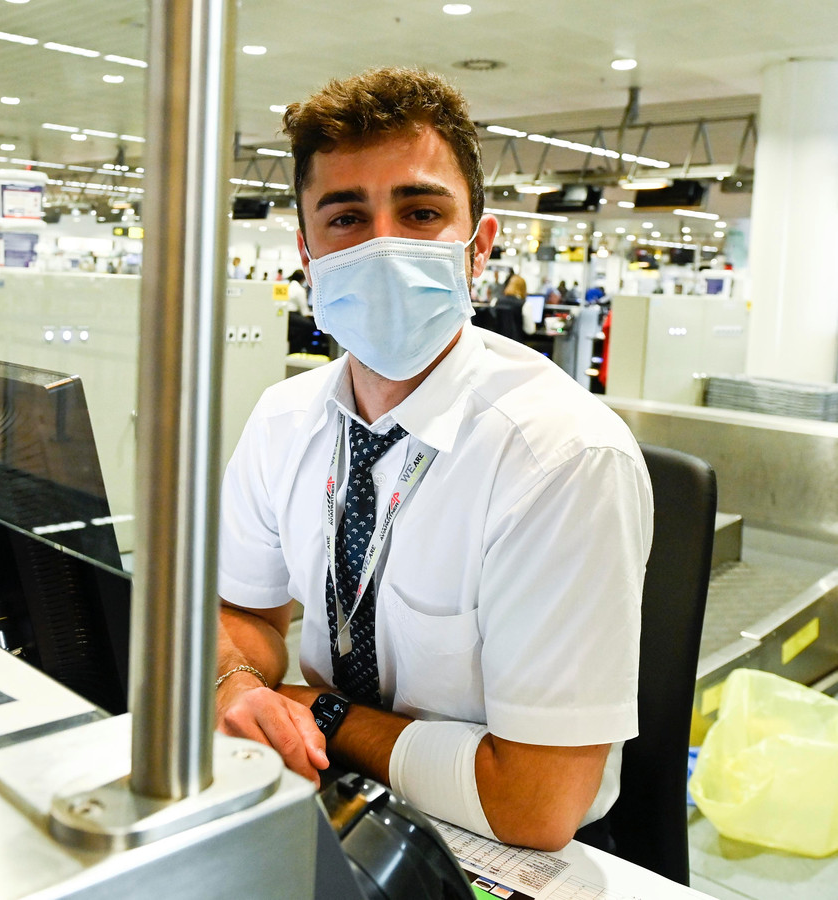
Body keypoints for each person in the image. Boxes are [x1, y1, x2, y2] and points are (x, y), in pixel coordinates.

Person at [214, 66, 653, 852]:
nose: (383, 245)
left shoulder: (557, 457)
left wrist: (310, 711)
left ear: (477, 247)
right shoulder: (283, 418)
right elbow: (243, 612)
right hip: (326, 797)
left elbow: (534, 802)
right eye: (346, 218)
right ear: (306, 254)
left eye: (419, 212)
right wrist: (239, 685)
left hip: (501, 846)